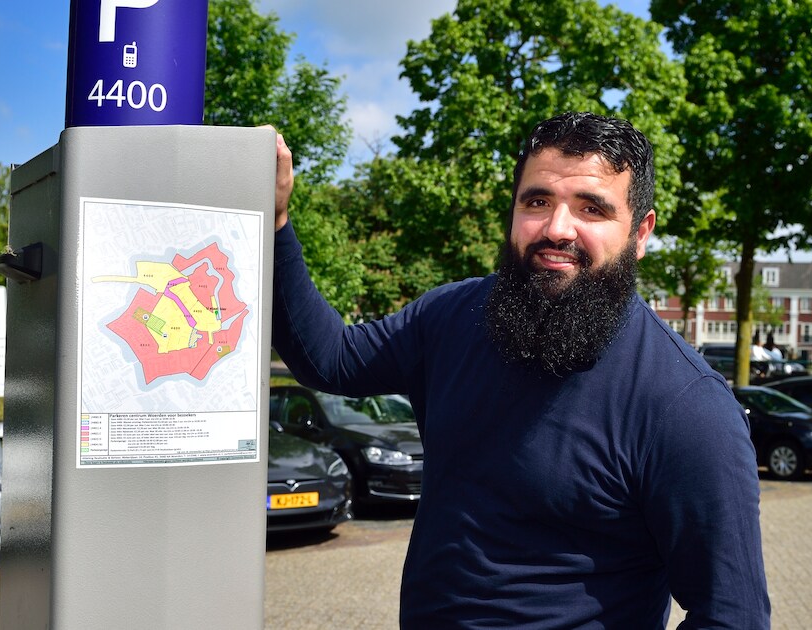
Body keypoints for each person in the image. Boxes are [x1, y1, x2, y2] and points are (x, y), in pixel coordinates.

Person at [270, 112, 770, 627]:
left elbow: (732, 615)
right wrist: (278, 222)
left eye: (592, 208)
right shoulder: (451, 317)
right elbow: (330, 359)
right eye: (537, 202)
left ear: (640, 233)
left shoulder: (686, 404)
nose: (557, 228)